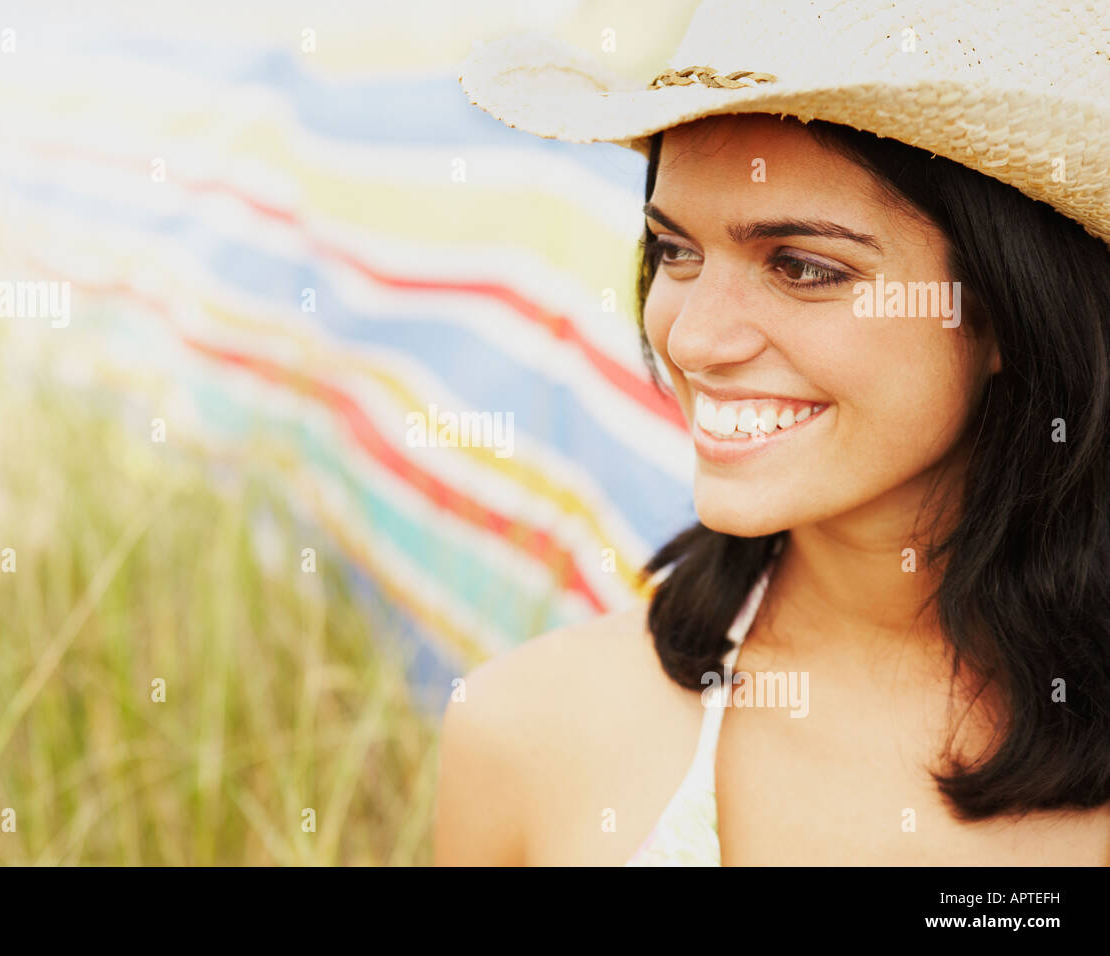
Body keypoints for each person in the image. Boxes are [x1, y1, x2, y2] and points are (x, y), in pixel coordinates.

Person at [434, 0, 1110, 865]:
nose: (693, 339)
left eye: (803, 267)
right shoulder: (531, 730)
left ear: (1012, 312)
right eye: (676, 251)